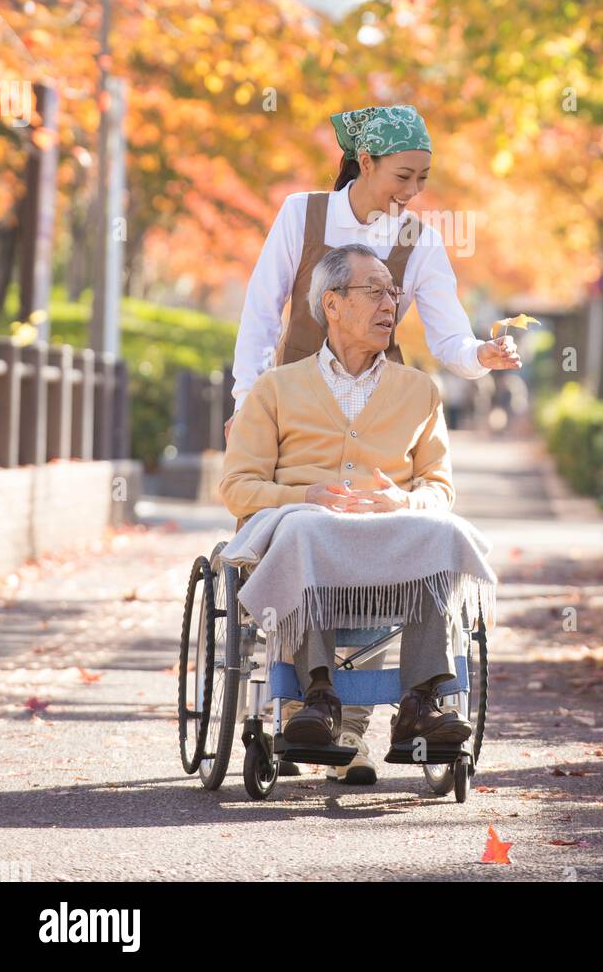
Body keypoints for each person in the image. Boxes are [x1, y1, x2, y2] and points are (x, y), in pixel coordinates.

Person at [222, 103, 520, 774]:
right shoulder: (303, 216)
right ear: (366, 164)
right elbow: (260, 308)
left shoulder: (420, 240)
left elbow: (447, 337)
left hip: (374, 405)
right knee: (307, 525)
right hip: (294, 405)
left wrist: (481, 357)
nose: (411, 193)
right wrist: (246, 399)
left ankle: (398, 710)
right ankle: (321, 708)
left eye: (422, 179)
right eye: (402, 177)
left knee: (409, 530)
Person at [217, 244, 477, 759]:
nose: (391, 306)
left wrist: (401, 501)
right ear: (331, 304)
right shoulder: (274, 389)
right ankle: (317, 697)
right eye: (375, 292)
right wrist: (303, 496)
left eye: (394, 294)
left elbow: (440, 489)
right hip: (306, 562)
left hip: (391, 570)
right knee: (307, 526)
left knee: (442, 532)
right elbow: (237, 487)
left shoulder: (420, 391)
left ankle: (421, 705)